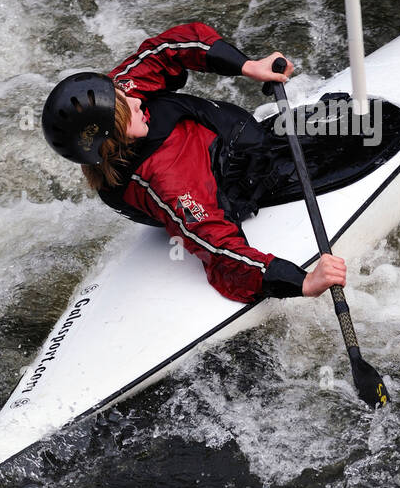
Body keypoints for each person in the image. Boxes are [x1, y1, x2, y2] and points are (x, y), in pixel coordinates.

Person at [41, 22, 347, 304]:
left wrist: (247, 65)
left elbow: (167, 48)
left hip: (232, 140)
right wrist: (302, 281)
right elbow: (218, 250)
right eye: (127, 110)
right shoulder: (169, 183)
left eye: (123, 95)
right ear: (113, 138)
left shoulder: (120, 92)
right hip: (238, 180)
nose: (135, 100)